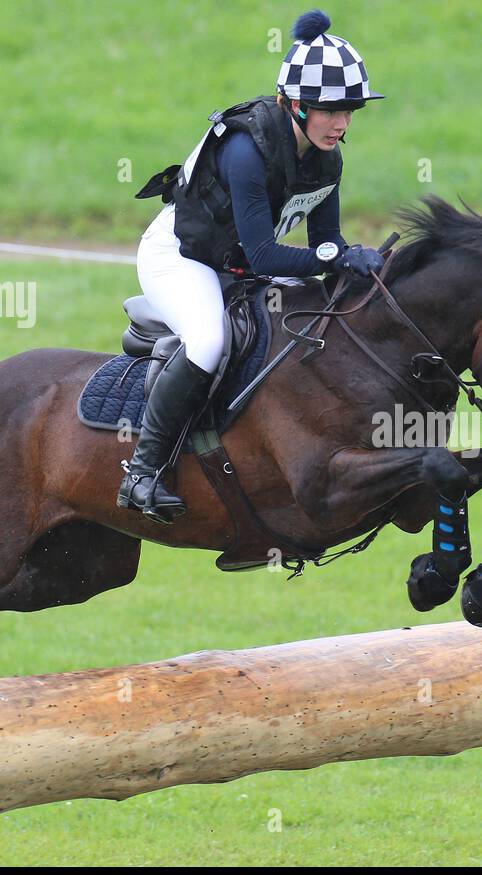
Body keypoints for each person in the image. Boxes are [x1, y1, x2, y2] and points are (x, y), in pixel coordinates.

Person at [120, 8, 386, 523]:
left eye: (350, 110)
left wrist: (357, 263)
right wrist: (337, 257)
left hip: (240, 262)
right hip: (180, 257)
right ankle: (142, 472)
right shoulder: (247, 150)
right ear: (295, 105)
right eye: (331, 110)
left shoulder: (327, 158)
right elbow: (268, 255)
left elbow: (324, 242)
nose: (342, 123)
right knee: (208, 342)